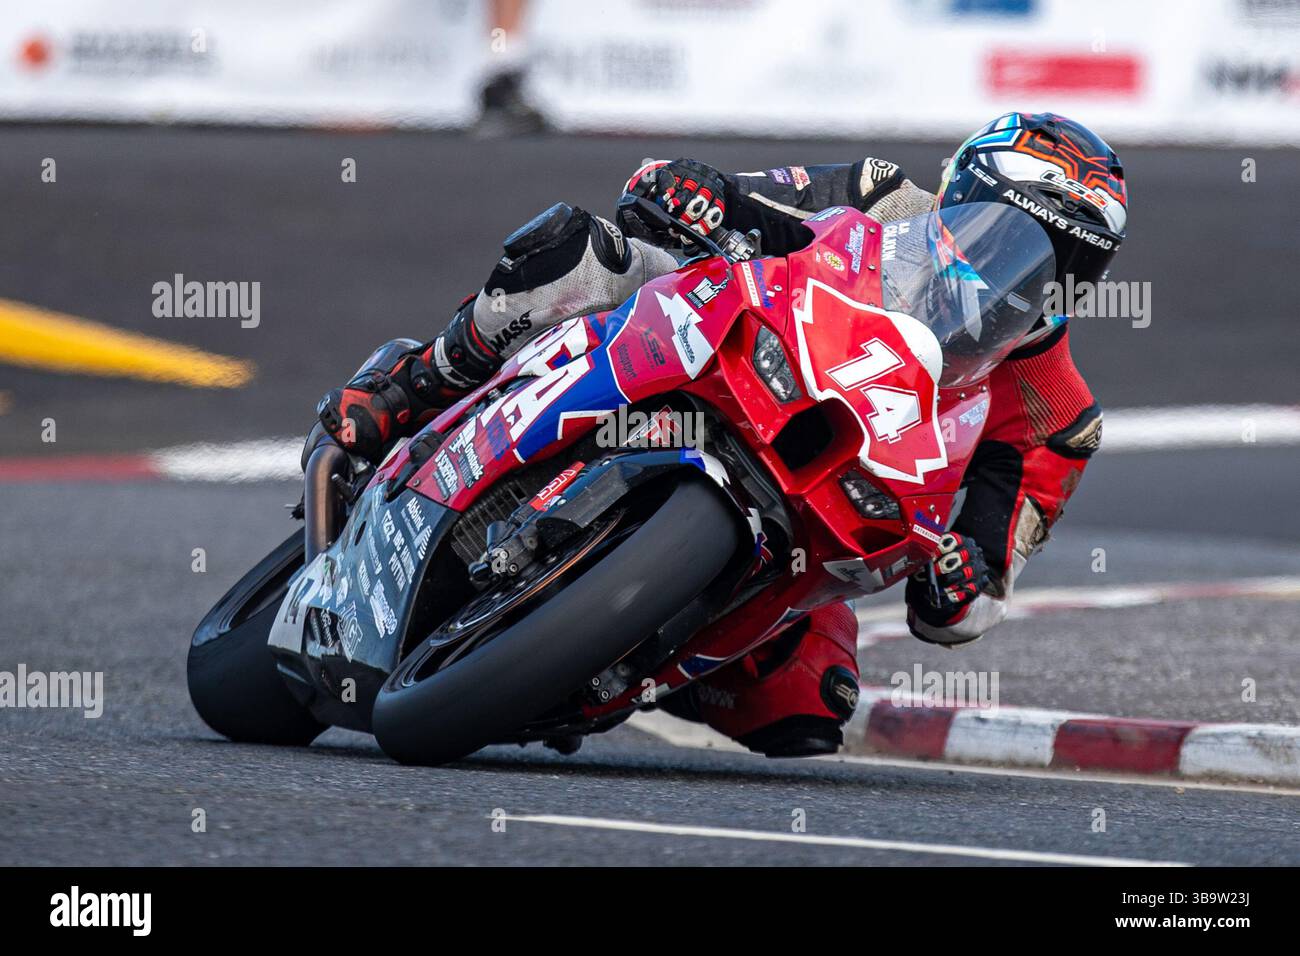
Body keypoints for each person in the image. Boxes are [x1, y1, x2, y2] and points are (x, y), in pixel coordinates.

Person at [313, 112, 1128, 756]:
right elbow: (720, 197)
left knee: (809, 710)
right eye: (1009, 230)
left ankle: (601, 651)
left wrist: (961, 580)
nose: (1028, 271)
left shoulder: (1058, 412)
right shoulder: (881, 198)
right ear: (959, 193)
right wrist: (699, 197)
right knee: (588, 254)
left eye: (1067, 262)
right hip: (743, 351)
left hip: (832, 503)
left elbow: (981, 582)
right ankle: (420, 378)